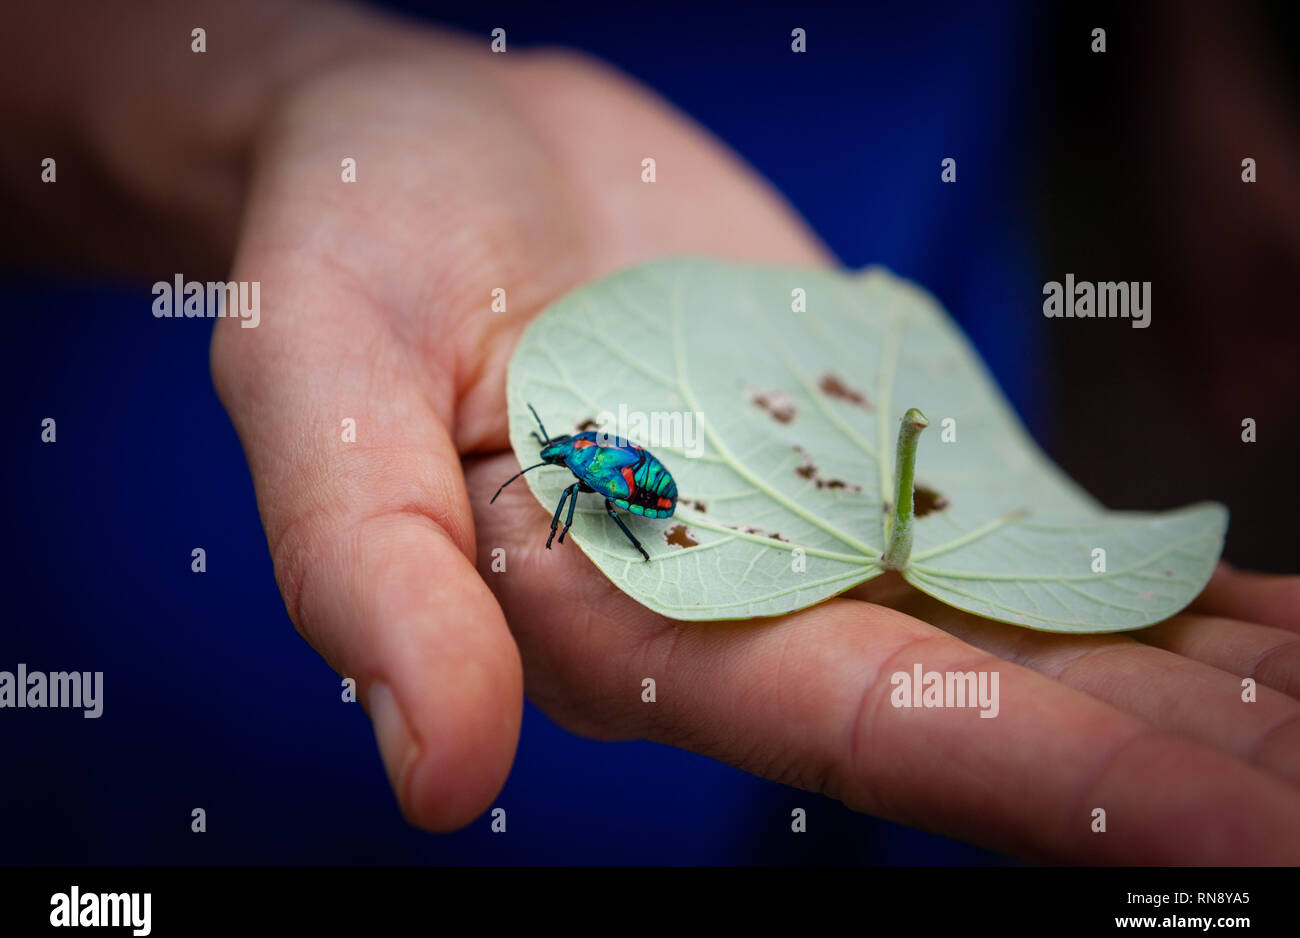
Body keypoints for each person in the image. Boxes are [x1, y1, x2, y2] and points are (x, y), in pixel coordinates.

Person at [6, 0, 1298, 863]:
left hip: (896, 217)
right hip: (159, 537)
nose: (565, 475)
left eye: (569, 462)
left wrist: (1196, 46)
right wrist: (295, 79)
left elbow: (605, 485)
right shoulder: (571, 464)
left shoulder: (588, 465)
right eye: (570, 462)